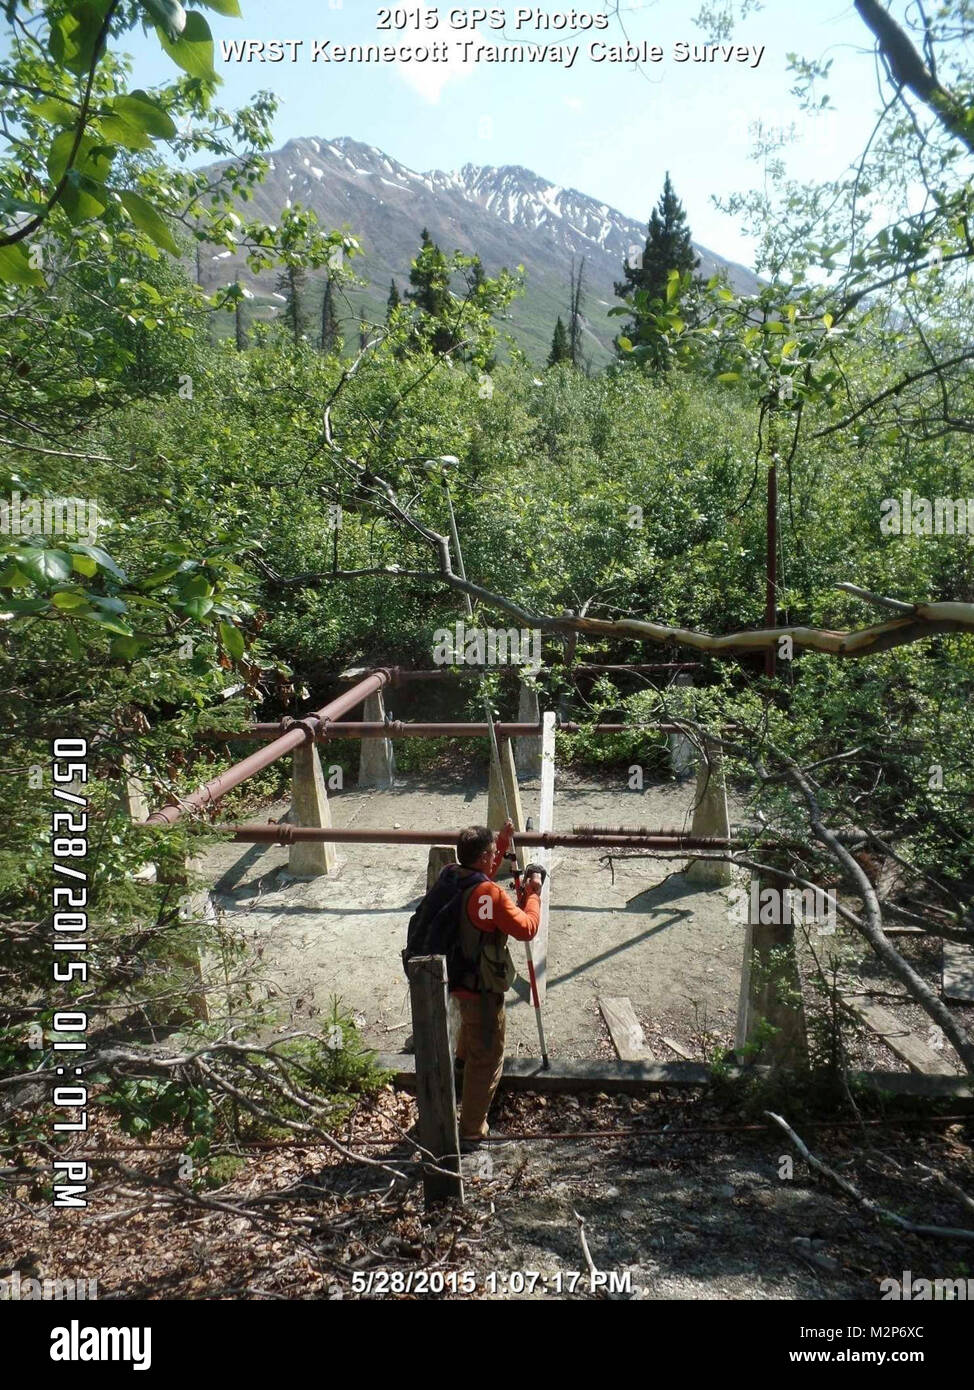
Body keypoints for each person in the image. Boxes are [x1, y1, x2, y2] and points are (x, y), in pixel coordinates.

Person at [450, 824, 542, 1151]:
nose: (496, 859)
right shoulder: (488, 893)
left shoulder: (454, 876)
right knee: (487, 1056)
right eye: (493, 854)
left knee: (470, 1036)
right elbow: (527, 928)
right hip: (481, 990)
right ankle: (473, 1130)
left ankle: (458, 1077)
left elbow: (485, 900)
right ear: (485, 856)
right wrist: (533, 893)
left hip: (457, 979)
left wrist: (501, 844)